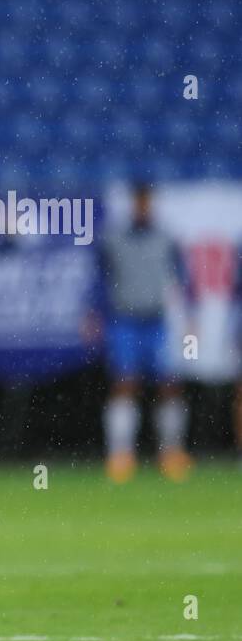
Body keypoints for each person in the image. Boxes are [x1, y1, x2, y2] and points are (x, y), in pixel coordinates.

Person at [97, 182, 191, 483]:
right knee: (125, 384)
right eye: (138, 202)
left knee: (169, 384)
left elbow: (182, 277)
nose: (142, 207)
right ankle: (120, 454)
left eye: (147, 202)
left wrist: (188, 317)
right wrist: (96, 312)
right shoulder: (114, 237)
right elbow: (100, 277)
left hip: (158, 321)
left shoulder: (166, 236)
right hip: (124, 320)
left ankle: (171, 452)